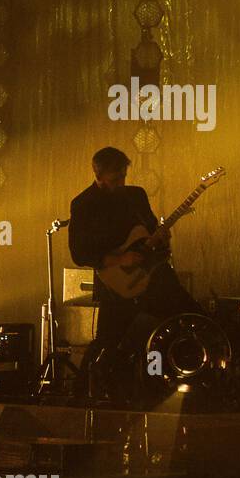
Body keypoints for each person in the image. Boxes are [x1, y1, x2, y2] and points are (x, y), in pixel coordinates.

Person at [67, 147, 202, 383]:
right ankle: (84, 391)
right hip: (117, 286)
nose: (120, 182)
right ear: (98, 176)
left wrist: (161, 237)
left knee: (192, 317)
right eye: (114, 179)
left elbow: (149, 231)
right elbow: (79, 254)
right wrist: (120, 259)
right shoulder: (83, 204)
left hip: (153, 276)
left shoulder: (135, 195)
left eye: (123, 176)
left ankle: (187, 375)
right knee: (107, 342)